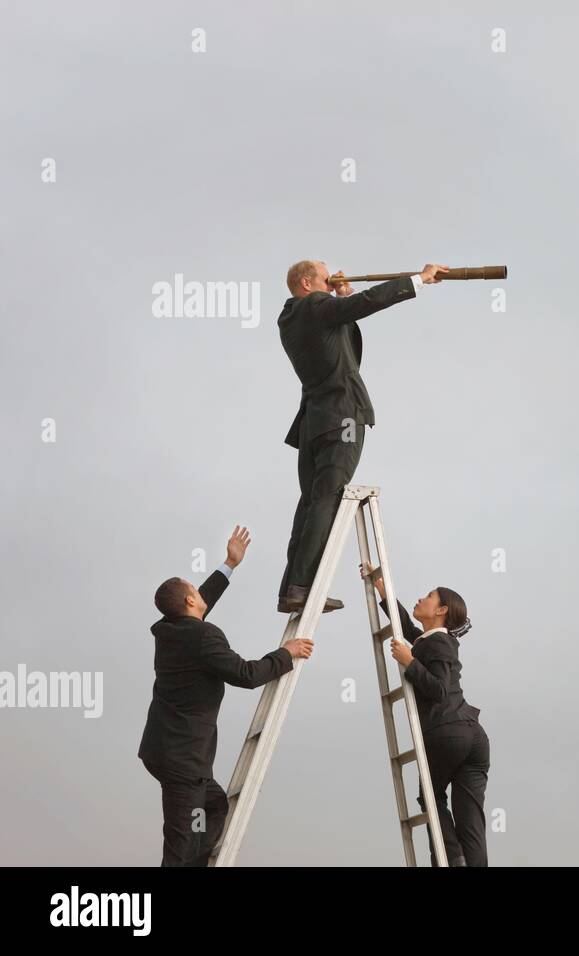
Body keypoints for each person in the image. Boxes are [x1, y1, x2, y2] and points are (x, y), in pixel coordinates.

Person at [276, 260, 449, 613]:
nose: (332, 280)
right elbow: (368, 301)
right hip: (342, 415)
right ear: (307, 283)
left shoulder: (290, 317)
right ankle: (303, 586)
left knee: (310, 503)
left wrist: (340, 300)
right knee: (328, 498)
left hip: (313, 423)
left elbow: (335, 340)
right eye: (325, 277)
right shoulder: (316, 305)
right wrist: (418, 279)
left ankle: (292, 588)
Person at [139, 525, 314, 866]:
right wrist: (287, 653)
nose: (198, 591)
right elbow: (246, 675)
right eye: (194, 589)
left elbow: (195, 609)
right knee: (181, 842)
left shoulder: (170, 630)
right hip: (184, 758)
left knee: (215, 806)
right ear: (190, 601)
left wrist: (229, 564)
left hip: (165, 750)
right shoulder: (202, 636)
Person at [364, 564, 489, 866]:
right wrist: (383, 591)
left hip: (448, 732)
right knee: (470, 818)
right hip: (473, 739)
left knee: (430, 797)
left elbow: (439, 690)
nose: (421, 598)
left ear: (441, 610)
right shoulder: (431, 640)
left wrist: (409, 662)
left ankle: (452, 859)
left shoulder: (439, 643)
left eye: (429, 596)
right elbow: (406, 628)